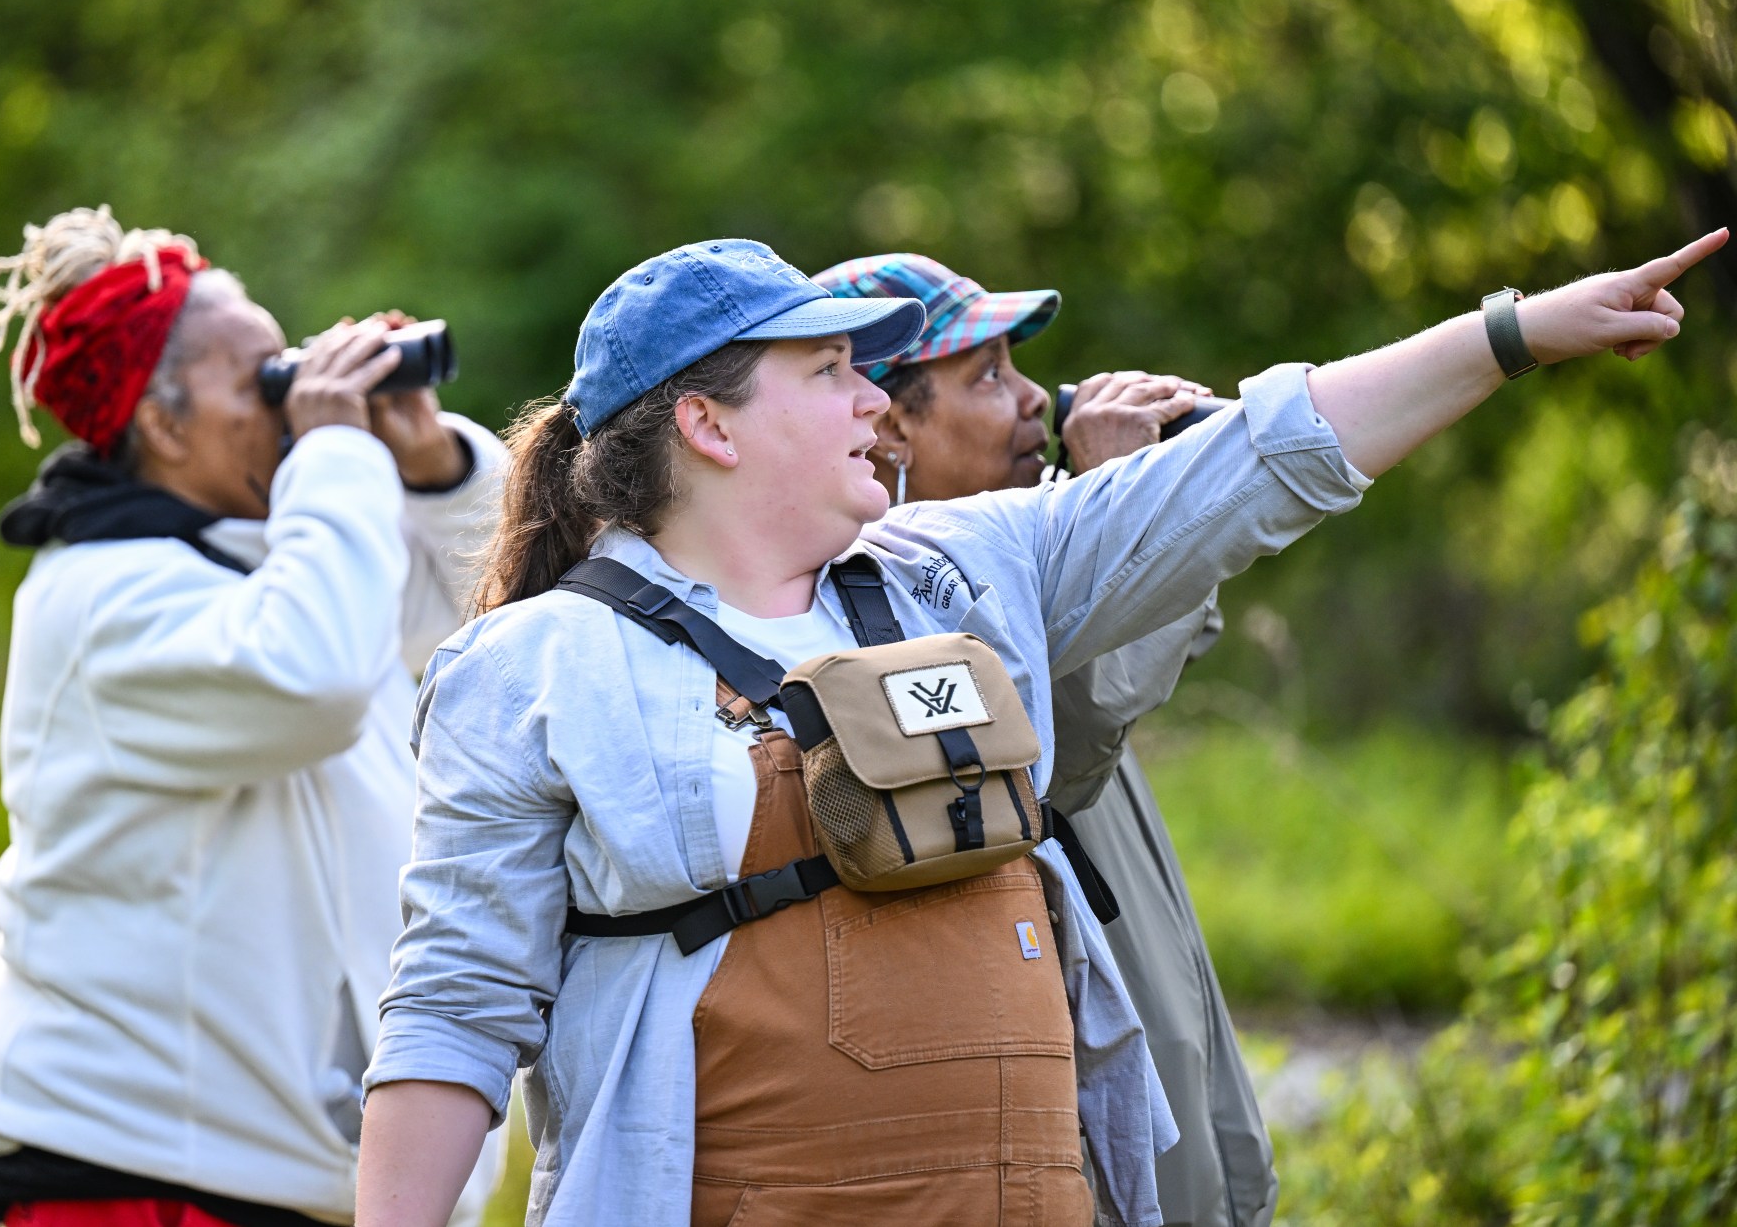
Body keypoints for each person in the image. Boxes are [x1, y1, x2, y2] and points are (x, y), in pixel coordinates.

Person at [357, 229, 1724, 1227]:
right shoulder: (531, 668)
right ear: (707, 423)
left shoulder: (965, 570)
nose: (875, 403)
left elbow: (1262, 453)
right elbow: (452, 1019)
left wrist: (1508, 334)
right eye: (830, 370)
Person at [0, 206, 507, 1227]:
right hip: (135, 1165)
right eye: (262, 377)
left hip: (269, 1168)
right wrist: (336, 452)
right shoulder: (101, 598)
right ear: (162, 423)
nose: (294, 401)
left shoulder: (276, 565)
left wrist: (425, 464)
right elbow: (315, 680)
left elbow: (489, 637)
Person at [812, 251, 1275, 1227]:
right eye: (986, 377)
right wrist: (1123, 502)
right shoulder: (871, 609)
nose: (1035, 402)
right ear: (886, 422)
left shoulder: (1014, 574)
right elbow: (1066, 747)